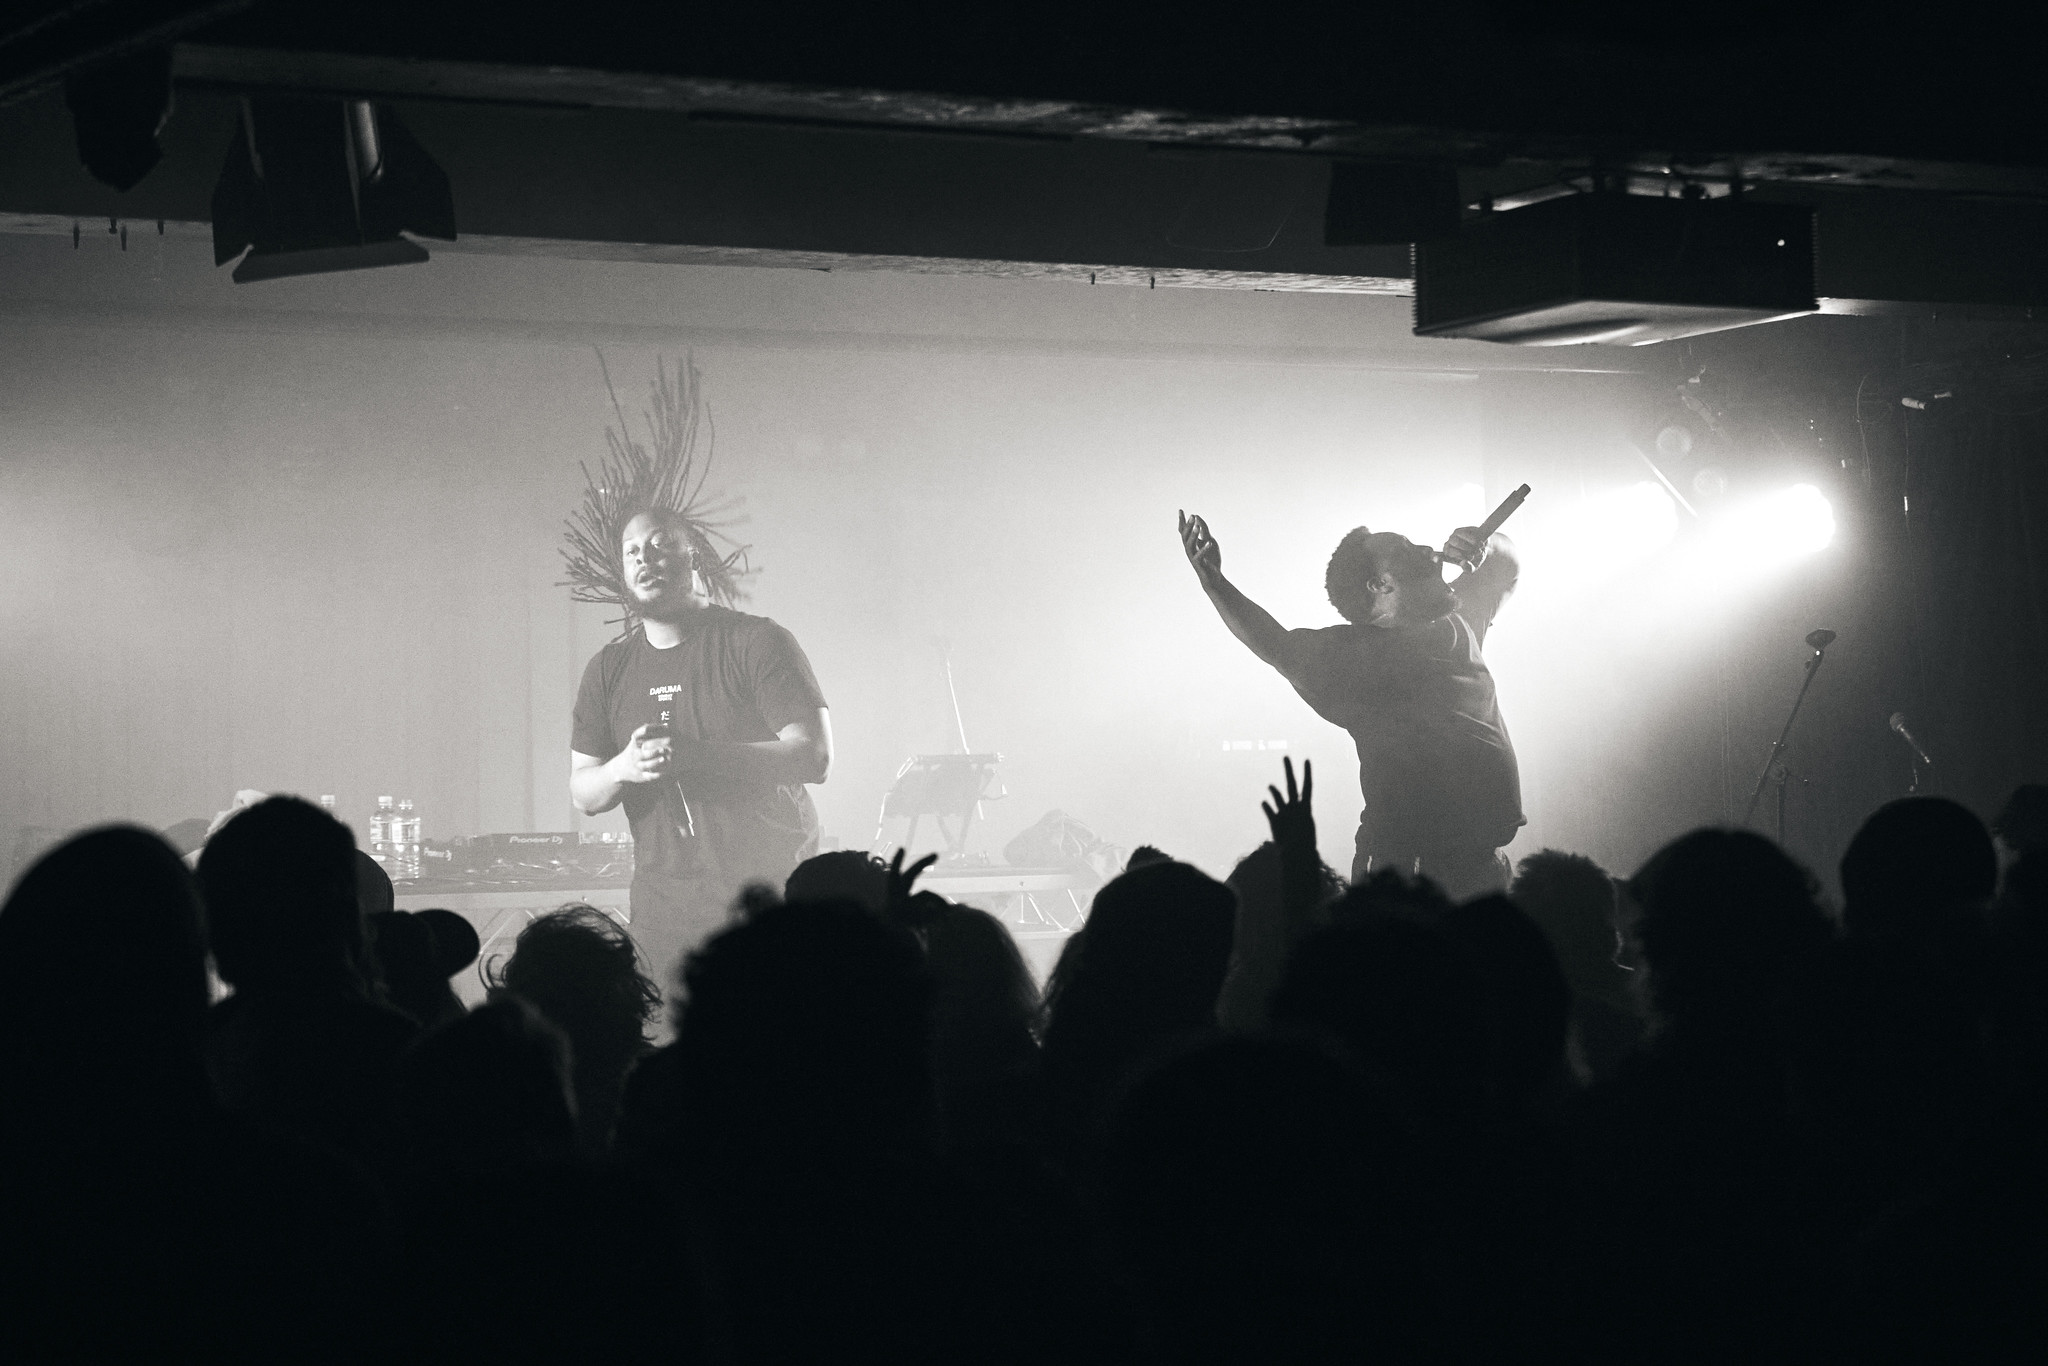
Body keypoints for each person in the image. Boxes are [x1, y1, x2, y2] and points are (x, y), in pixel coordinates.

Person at [1178, 509, 1523, 897]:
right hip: (1408, 869)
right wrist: (1215, 584)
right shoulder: (1353, 659)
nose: (1428, 551)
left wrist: (1484, 540)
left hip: (1482, 864)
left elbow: (1506, 567)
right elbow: (1273, 643)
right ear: (1379, 585)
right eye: (1407, 551)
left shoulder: (1458, 618)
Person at [571, 506, 833, 985]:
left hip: (766, 906)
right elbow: (584, 793)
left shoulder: (756, 641)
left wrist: (695, 753)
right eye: (631, 552)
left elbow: (813, 757)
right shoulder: (608, 669)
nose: (644, 559)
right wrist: (622, 768)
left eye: (659, 544)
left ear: (694, 556)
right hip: (662, 913)